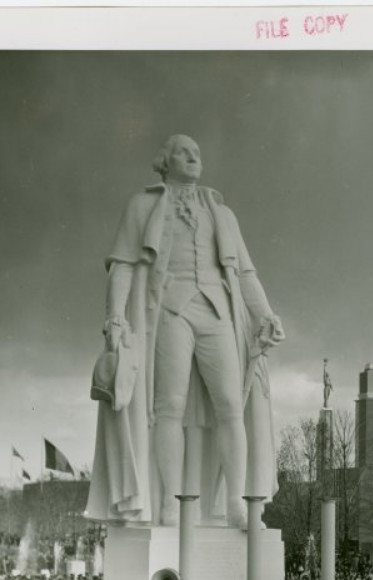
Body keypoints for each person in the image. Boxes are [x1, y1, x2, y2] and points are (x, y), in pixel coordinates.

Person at [86, 134, 285, 528]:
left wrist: (266, 315)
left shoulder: (221, 213)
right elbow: (123, 265)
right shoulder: (142, 206)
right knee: (168, 409)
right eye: (183, 151)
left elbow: (245, 273)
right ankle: (173, 504)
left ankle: (235, 503)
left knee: (232, 405)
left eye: (197, 152)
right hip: (170, 313)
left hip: (217, 314)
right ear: (164, 161)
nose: (193, 156)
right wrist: (115, 317)